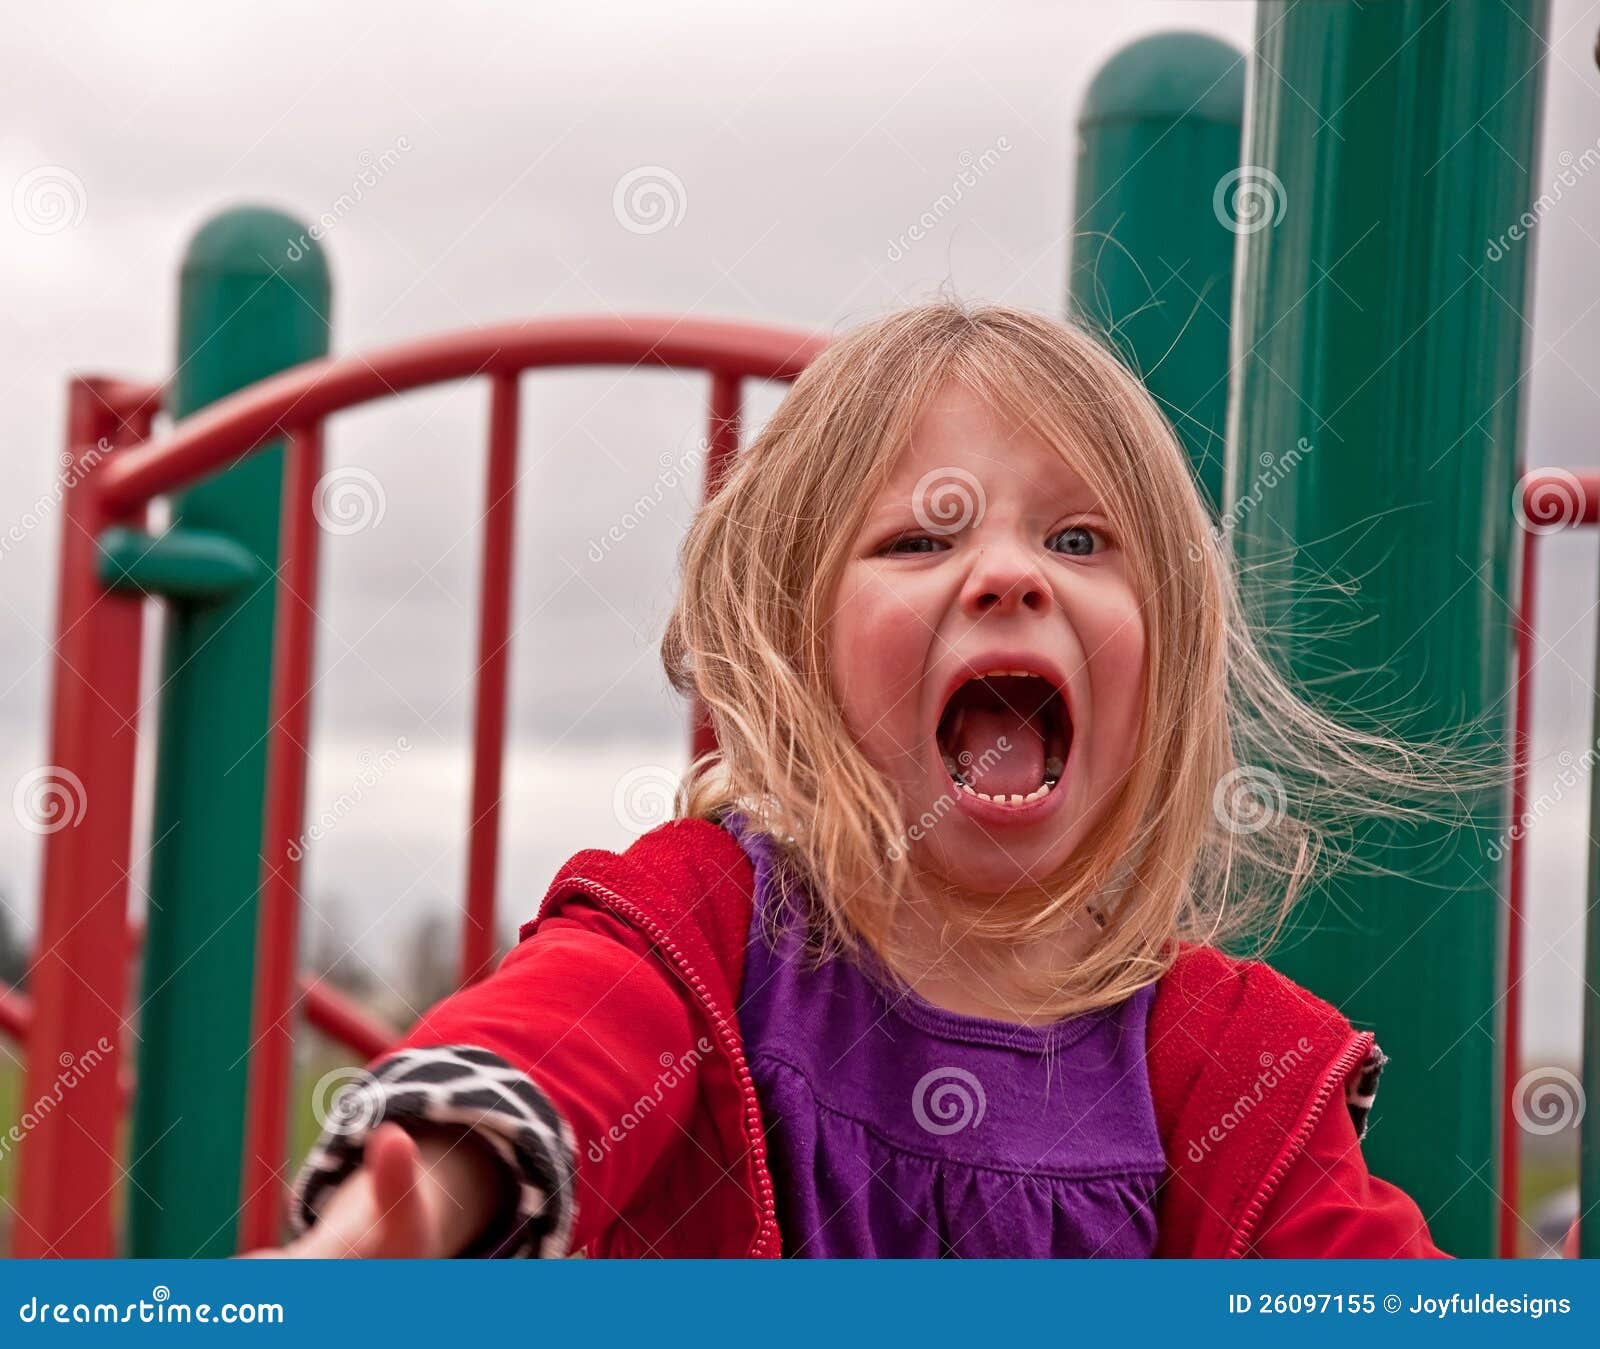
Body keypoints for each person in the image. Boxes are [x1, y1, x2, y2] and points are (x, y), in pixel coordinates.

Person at [259, 303, 1490, 1259]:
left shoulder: (1227, 1063)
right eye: (919, 540)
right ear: (799, 647)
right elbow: (546, 1054)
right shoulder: (704, 932)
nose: (1010, 575)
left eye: (1078, 539)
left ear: (1162, 652)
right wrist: (404, 1212)